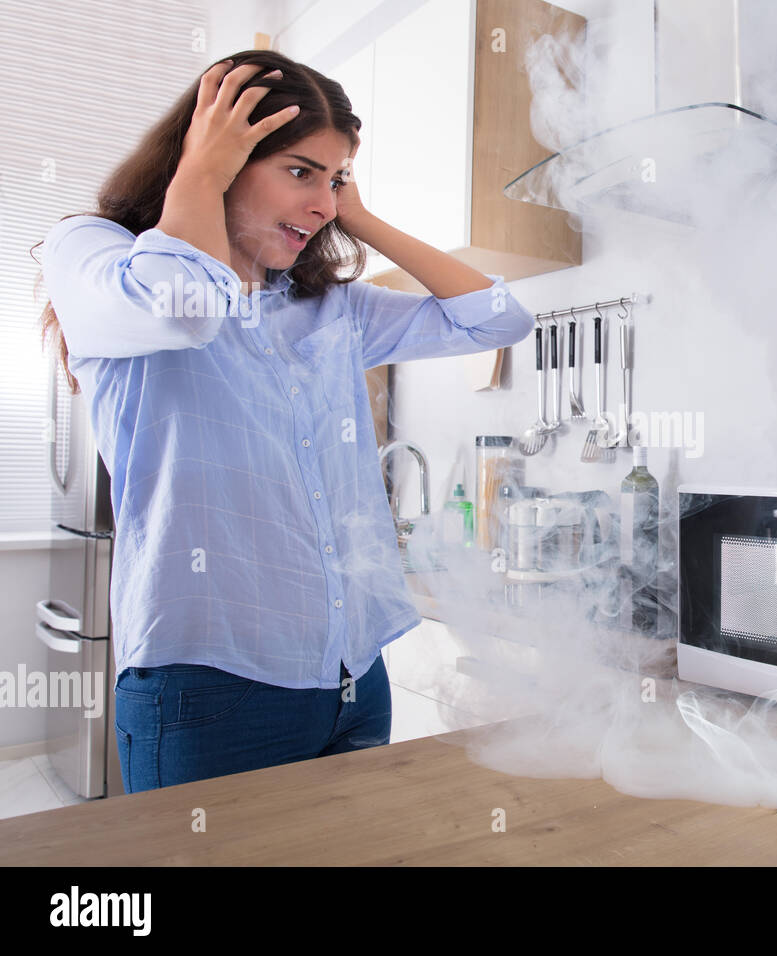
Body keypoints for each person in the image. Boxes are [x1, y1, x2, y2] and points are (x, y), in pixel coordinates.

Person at [36, 51, 535, 793]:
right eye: (301, 172)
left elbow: (499, 320)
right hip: (212, 688)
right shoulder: (102, 255)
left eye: (335, 180)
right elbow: (183, 309)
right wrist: (199, 175)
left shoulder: (329, 308)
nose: (323, 202)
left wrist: (360, 216)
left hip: (354, 681)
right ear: (218, 153)